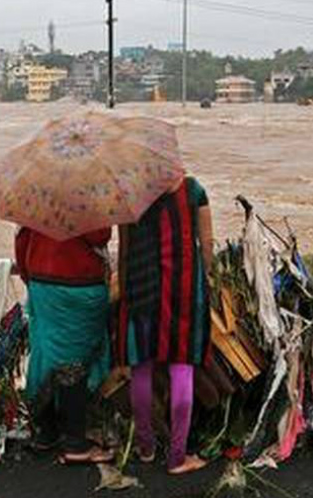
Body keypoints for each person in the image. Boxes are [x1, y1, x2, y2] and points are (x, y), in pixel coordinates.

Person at [116, 175, 214, 474]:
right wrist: (206, 276)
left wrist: (123, 284)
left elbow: (124, 247)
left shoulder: (130, 193)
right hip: (182, 290)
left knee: (141, 367)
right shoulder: (193, 190)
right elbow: (206, 242)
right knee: (181, 364)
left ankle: (146, 448)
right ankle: (177, 457)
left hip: (141, 287)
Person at [16, 226, 114, 464]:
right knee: (75, 361)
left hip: (41, 283)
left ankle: (46, 431)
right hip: (78, 284)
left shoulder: (36, 195)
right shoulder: (86, 193)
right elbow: (98, 235)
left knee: (45, 356)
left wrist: (31, 279)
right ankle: (75, 443)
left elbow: (21, 241)